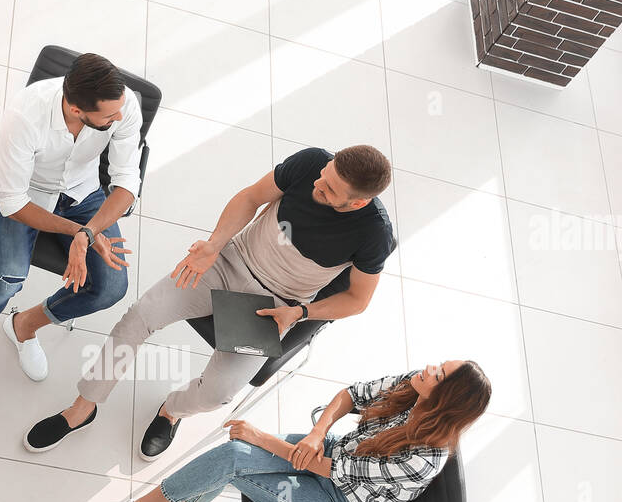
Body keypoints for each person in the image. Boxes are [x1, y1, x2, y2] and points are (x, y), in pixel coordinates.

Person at [24, 144, 396, 457]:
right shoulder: (311, 162)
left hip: (275, 303)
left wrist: (301, 312)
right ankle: (84, 406)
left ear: (359, 201)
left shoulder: (374, 233)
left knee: (219, 393)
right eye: (324, 175)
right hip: (227, 261)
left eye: (331, 190)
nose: (319, 183)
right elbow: (251, 197)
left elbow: (357, 299)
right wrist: (215, 244)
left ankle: (171, 411)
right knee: (139, 317)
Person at [79, 362, 491, 502]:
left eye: (438, 374)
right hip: (328, 455)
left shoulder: (424, 458)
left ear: (445, 398)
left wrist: (259, 438)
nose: (428, 368)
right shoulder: (414, 385)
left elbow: (332, 470)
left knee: (235, 458)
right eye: (438, 364)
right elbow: (351, 395)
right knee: (235, 457)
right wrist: (317, 432)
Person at [0, 52, 140, 406]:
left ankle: (24, 326)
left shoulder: (124, 105)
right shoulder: (25, 116)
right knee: (8, 278)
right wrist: (73, 232)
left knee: (111, 287)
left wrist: (88, 233)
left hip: (83, 192)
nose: (120, 118)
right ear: (75, 110)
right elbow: (12, 202)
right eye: (109, 117)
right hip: (26, 193)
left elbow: (127, 182)